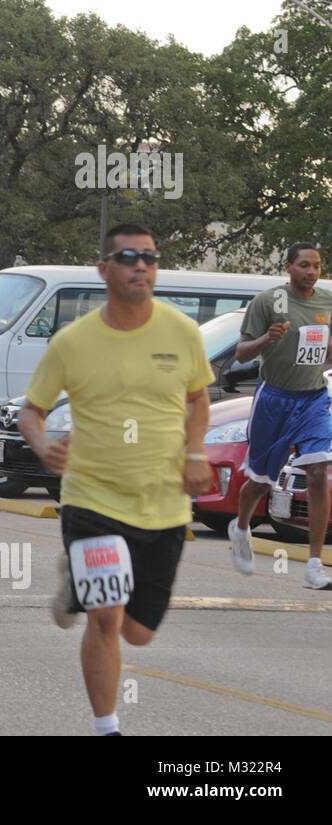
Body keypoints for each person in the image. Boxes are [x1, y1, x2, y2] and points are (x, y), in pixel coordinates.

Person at [17, 224, 212, 736]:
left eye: (150, 257)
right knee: (106, 618)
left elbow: (198, 399)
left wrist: (196, 453)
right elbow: (30, 412)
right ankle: (107, 728)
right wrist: (43, 447)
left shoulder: (182, 332)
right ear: (104, 269)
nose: (141, 266)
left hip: (163, 505)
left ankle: (74, 585)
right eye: (128, 257)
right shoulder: (72, 342)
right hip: (93, 498)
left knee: (138, 633)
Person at [229, 242, 332, 590]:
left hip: (314, 399)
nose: (311, 272)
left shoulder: (326, 302)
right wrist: (265, 339)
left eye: (317, 266)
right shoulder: (267, 302)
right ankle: (241, 527)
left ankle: (314, 566)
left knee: (318, 472)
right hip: (273, 399)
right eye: (304, 265)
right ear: (288, 267)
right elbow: (242, 352)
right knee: (260, 482)